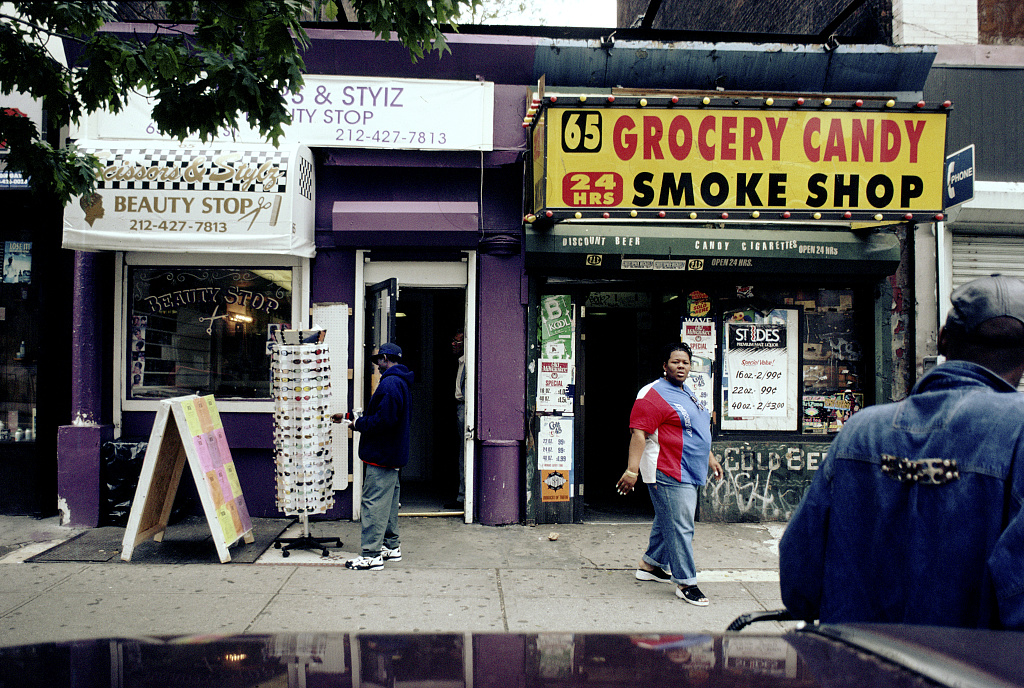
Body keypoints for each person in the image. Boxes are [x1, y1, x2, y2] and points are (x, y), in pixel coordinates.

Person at [780, 274, 1024, 629]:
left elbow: (800, 573)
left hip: (853, 666)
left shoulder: (861, 430)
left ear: (942, 340)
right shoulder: (1017, 428)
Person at [618, 342, 724, 606]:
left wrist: (709, 457)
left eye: (685, 362)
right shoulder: (652, 393)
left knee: (670, 518)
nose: (681, 366)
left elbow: (695, 429)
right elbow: (638, 433)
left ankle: (650, 565)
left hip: (689, 466)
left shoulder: (687, 391)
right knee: (680, 526)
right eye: (675, 362)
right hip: (667, 468)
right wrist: (632, 471)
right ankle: (686, 582)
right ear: (664, 366)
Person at [333, 342, 414, 570]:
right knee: (387, 504)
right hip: (393, 454)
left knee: (373, 504)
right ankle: (391, 546)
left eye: (378, 360)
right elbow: (383, 415)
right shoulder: (401, 382)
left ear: (385, 359)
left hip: (381, 454)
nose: (376, 365)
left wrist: (357, 423)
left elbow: (382, 421)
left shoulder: (389, 384)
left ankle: (371, 555)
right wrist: (350, 417)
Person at [445, 330, 466, 511]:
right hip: (460, 406)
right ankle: (462, 495)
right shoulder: (461, 362)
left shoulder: (469, 361)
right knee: (461, 451)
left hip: (465, 407)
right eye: (453, 340)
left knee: (464, 452)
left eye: (457, 341)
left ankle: (463, 497)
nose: (453, 344)